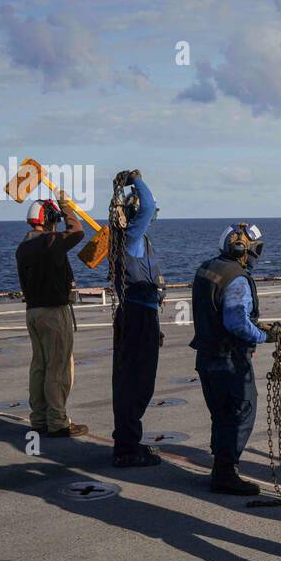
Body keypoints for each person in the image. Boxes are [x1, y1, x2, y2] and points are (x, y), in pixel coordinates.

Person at [190, 223, 281, 497]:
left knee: (220, 413)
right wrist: (264, 337)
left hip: (207, 357)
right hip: (229, 360)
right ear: (243, 249)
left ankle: (221, 466)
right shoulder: (238, 278)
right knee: (241, 412)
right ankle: (225, 473)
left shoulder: (207, 268)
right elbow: (236, 322)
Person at [16, 192, 88, 438]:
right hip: (54, 313)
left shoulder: (23, 248)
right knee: (58, 367)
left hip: (33, 313)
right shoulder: (50, 242)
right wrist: (67, 205)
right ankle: (57, 421)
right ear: (47, 219)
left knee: (39, 366)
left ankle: (38, 418)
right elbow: (77, 231)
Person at [108, 170, 165, 468]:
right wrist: (137, 179)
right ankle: (127, 448)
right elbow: (148, 204)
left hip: (138, 314)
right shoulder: (131, 238)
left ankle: (126, 441)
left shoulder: (130, 241)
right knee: (137, 382)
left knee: (131, 380)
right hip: (138, 315)